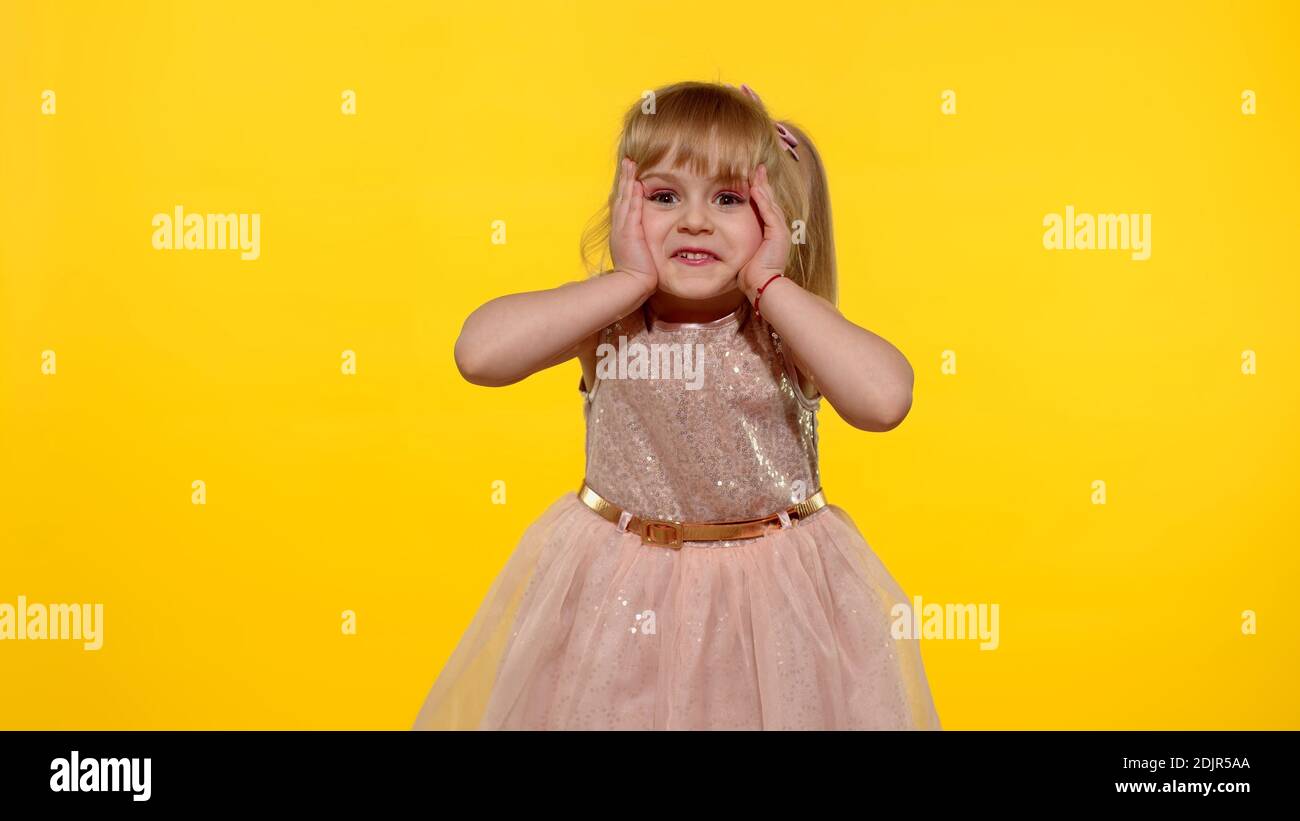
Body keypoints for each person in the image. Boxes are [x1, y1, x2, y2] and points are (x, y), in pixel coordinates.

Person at [412, 80, 941, 730]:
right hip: (622, 599)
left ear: (778, 216)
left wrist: (772, 282)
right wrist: (627, 279)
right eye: (663, 197)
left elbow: (886, 399)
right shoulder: (612, 319)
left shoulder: (784, 327)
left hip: (771, 610)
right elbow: (479, 353)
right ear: (625, 206)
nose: (694, 220)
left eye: (729, 198)